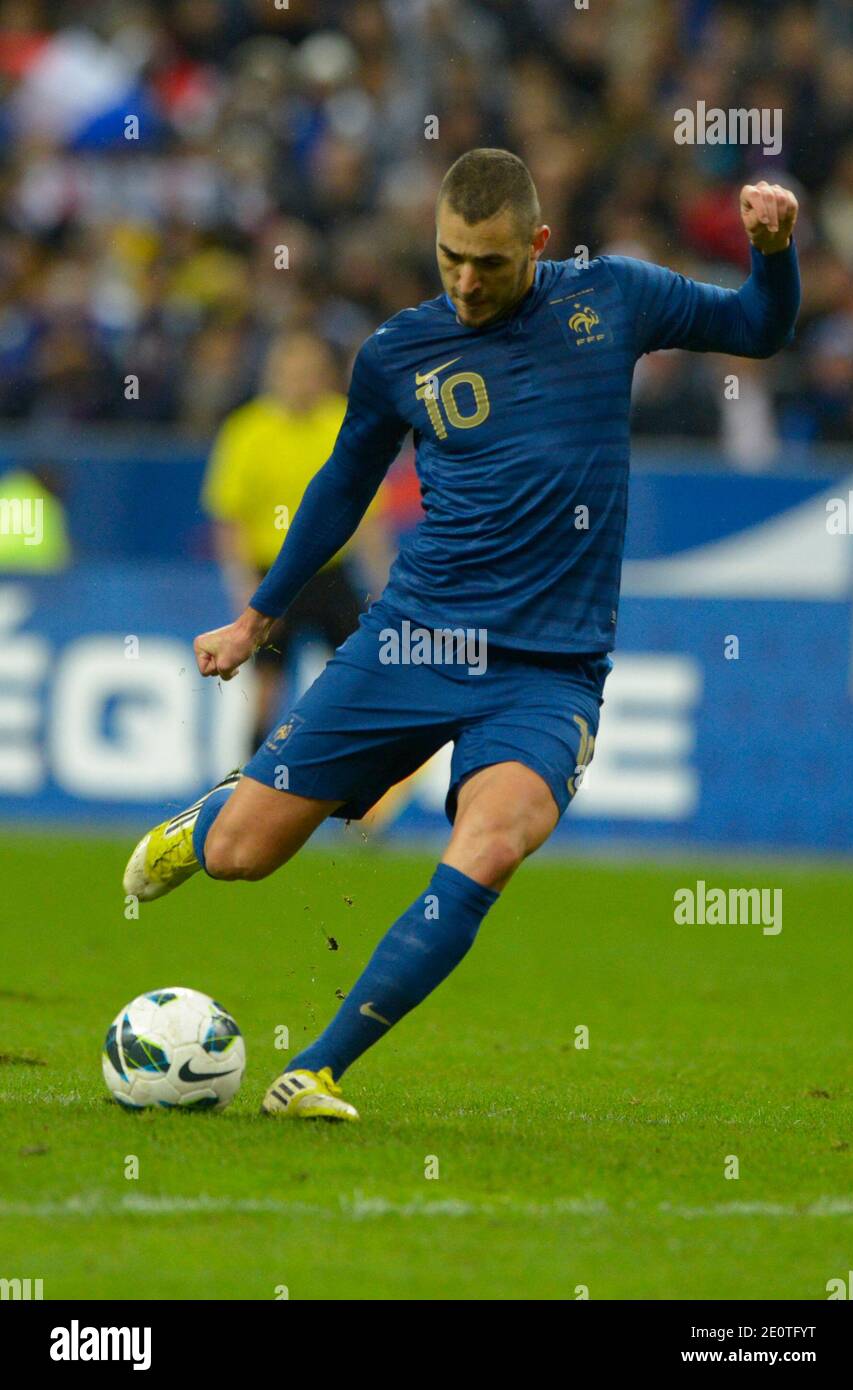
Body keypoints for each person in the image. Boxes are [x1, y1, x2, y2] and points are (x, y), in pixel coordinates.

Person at [124, 149, 800, 1123]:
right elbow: (340, 488)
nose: (467, 282)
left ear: (535, 242)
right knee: (241, 855)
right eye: (449, 259)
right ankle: (201, 823)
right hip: (414, 638)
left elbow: (756, 327)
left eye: (488, 262)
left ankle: (314, 1068)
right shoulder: (398, 353)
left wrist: (769, 251)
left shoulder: (611, 297)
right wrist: (256, 618)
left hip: (548, 671)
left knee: (486, 847)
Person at [202, 330, 390, 749]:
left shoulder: (343, 421)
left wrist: (383, 583)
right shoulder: (247, 430)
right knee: (266, 687)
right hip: (272, 576)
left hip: (330, 572)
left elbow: (368, 516)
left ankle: (351, 779)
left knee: (354, 677)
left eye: (308, 372)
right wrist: (244, 587)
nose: (299, 381)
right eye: (290, 371)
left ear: (323, 375)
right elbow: (230, 520)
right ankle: (246, 779)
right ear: (273, 374)